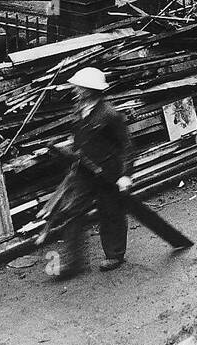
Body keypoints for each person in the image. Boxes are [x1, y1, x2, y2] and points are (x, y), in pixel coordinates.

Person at [46, 67, 134, 278]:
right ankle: (74, 263)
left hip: (108, 173)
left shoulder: (109, 114)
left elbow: (127, 146)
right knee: (72, 211)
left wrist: (125, 175)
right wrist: (66, 147)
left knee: (111, 213)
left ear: (90, 90)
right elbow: (78, 138)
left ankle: (115, 254)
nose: (75, 90)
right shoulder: (80, 110)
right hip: (84, 171)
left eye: (80, 87)